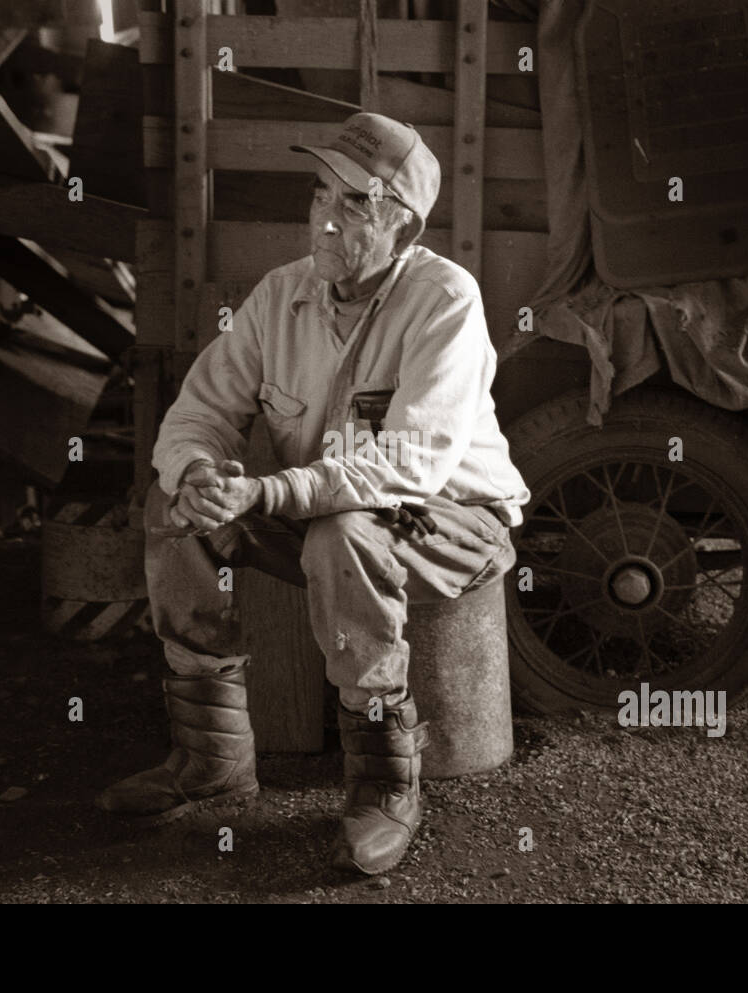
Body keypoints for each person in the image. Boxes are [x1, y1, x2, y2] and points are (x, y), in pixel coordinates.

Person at [97, 112, 530, 875]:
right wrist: (200, 473)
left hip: (455, 522)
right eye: (321, 192)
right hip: (323, 510)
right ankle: (213, 759)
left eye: (356, 203)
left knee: (344, 535)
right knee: (174, 507)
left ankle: (384, 784)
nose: (325, 218)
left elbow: (407, 465)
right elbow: (196, 414)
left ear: (403, 226)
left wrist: (264, 494)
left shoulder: (446, 301)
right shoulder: (279, 296)